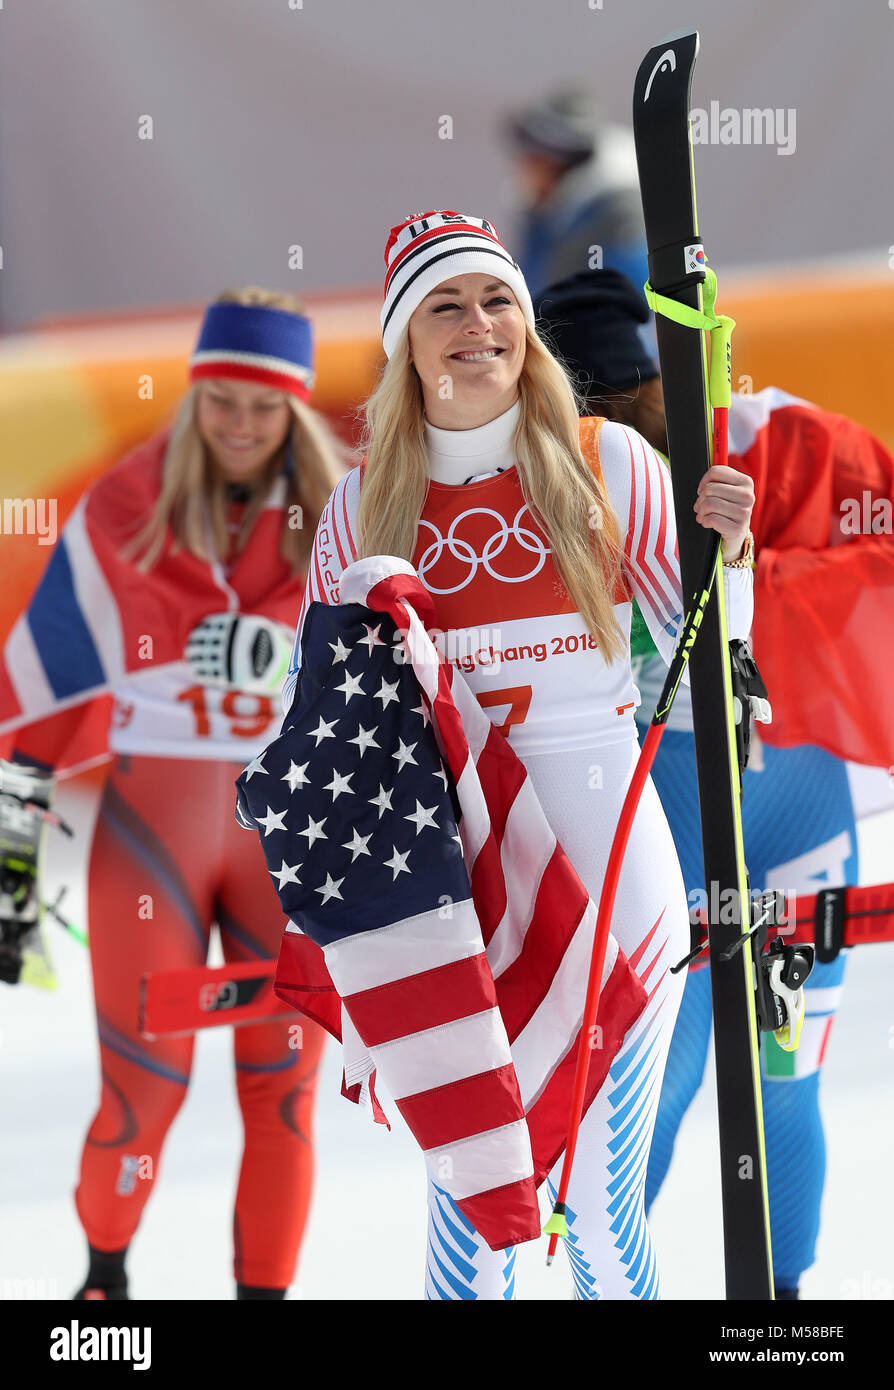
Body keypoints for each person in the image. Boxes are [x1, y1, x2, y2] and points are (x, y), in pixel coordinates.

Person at [283, 211, 756, 1300]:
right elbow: (322, 730)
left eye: (496, 300)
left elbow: (712, 652)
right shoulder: (361, 511)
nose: (477, 324)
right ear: (406, 339)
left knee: (593, 1204)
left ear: (527, 328)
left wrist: (726, 558)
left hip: (611, 872)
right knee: (479, 1211)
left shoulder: (608, 463)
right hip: (452, 883)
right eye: (444, 305)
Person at [533, 265, 894, 1298]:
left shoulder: (777, 435)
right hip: (667, 810)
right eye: (582, 417)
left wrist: (751, 574)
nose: (610, 441)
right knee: (657, 1084)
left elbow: (881, 569)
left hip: (794, 797)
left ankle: (780, 1312)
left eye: (620, 406)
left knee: (785, 1083)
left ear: (656, 379)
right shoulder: (542, 477)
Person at [0, 289, 345, 1299]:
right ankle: (103, 1283)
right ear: (194, 395)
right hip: (155, 834)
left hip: (282, 843)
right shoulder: (126, 502)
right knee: (141, 1096)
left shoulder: (343, 513)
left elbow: (404, 669)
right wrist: (12, 863)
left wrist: (287, 653)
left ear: (295, 412)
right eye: (220, 400)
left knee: (284, 1097)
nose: (239, 425)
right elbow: (38, 690)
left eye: (264, 406)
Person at [506, 90, 648, 298]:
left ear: (555, 162)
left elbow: (636, 309)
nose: (523, 169)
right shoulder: (548, 216)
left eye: (532, 158)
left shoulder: (618, 221)